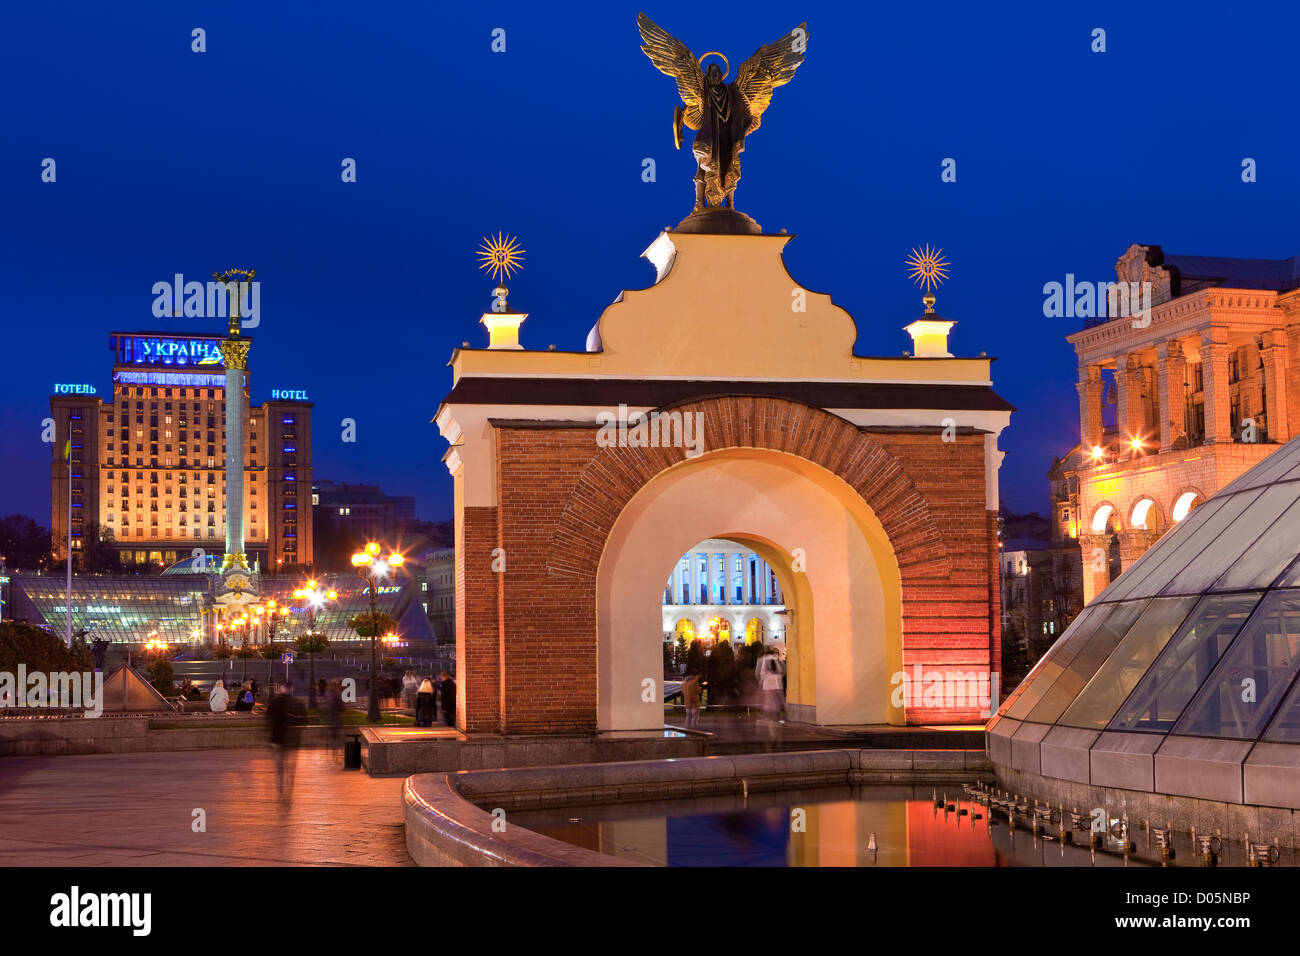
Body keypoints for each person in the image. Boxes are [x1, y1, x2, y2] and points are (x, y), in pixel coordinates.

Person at [267, 682, 302, 800]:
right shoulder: (296, 702)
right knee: (291, 766)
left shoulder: (275, 702)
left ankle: (281, 789)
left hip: (277, 739)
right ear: (291, 689)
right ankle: (289, 788)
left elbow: (268, 718)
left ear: (281, 689)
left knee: (279, 766)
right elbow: (303, 721)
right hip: (291, 739)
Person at [756, 643, 784, 721]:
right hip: (776, 684)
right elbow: (780, 670)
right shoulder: (774, 658)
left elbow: (762, 671)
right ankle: (776, 716)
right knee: (776, 701)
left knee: (768, 700)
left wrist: (761, 681)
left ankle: (769, 716)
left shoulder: (764, 658)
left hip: (768, 684)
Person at [325, 679, 345, 759]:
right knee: (337, 736)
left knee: (334, 735)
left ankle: (334, 750)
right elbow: (341, 707)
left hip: (330, 718)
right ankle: (336, 751)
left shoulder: (328, 694)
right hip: (336, 718)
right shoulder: (336, 695)